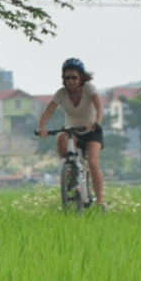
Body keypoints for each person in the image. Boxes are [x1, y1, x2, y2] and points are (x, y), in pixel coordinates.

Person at [36, 58, 106, 210]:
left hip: (91, 130)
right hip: (72, 131)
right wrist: (42, 127)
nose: (71, 81)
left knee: (93, 162)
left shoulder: (89, 89)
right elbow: (48, 111)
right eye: (67, 77)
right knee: (61, 137)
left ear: (81, 77)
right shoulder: (61, 94)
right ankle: (69, 170)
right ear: (63, 79)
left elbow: (99, 107)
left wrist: (97, 122)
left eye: (74, 77)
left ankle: (100, 201)